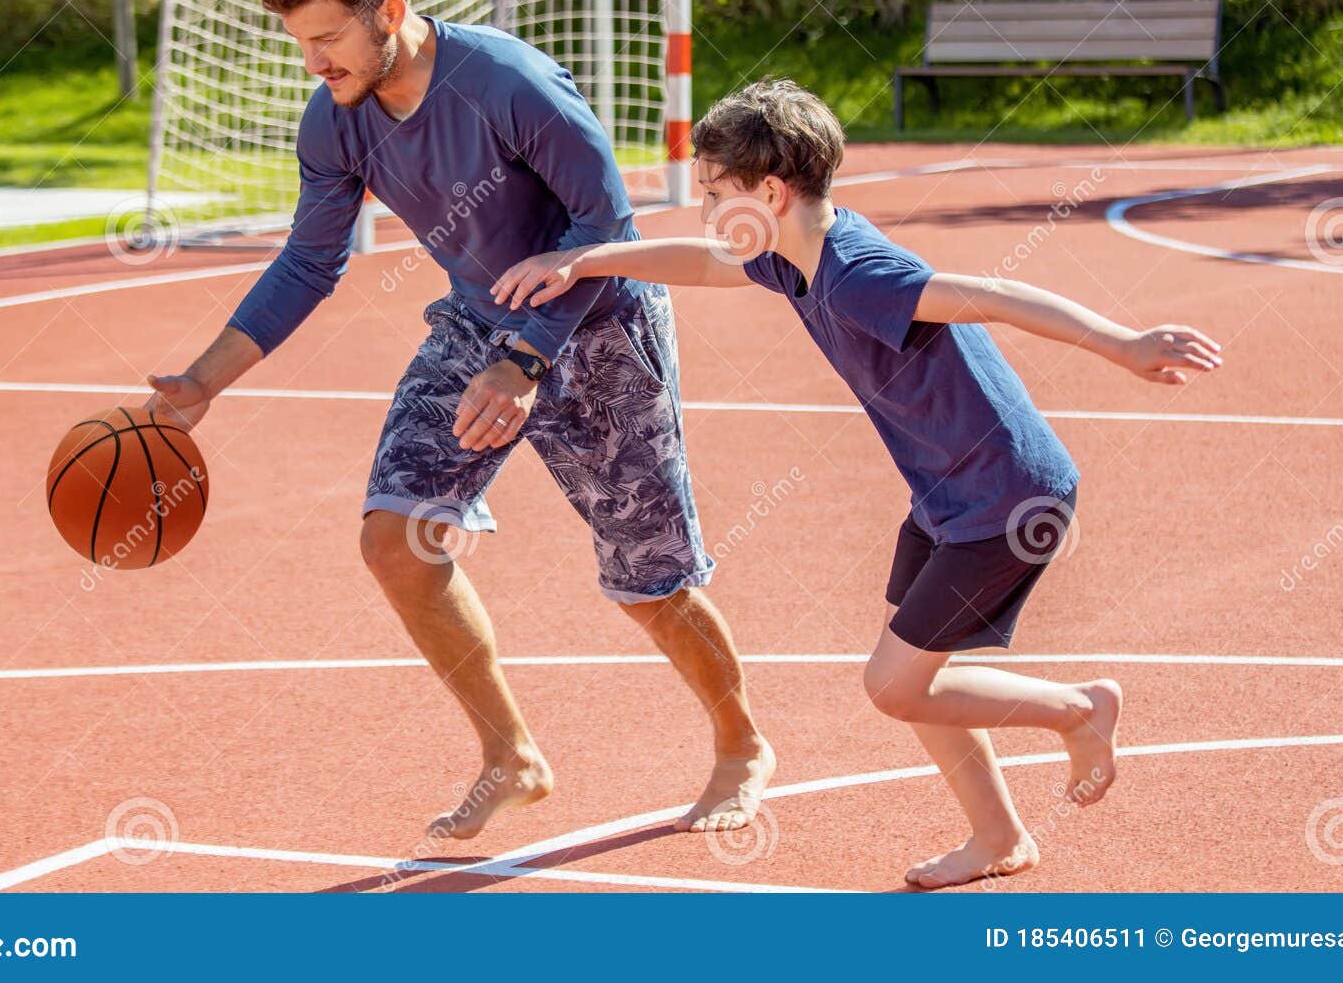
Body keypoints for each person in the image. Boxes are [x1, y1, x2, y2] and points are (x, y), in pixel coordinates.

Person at [490, 77, 1225, 887]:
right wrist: (585, 258)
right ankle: (998, 836)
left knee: (895, 685)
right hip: (948, 492)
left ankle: (1081, 711)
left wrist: (1124, 343)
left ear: (768, 192)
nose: (706, 211)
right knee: (920, 677)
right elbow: (703, 264)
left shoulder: (856, 271)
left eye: (714, 193)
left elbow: (997, 295)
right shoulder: (789, 254)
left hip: (1006, 495)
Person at [144, 0, 774, 840]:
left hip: (600, 321)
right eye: (301, 45)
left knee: (650, 583)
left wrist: (527, 359)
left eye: (329, 41)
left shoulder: (510, 84)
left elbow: (606, 230)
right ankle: (510, 752)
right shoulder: (338, 120)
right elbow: (310, 262)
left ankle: (740, 742)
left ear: (389, 11)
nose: (316, 65)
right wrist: (203, 382)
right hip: (480, 319)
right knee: (395, 542)